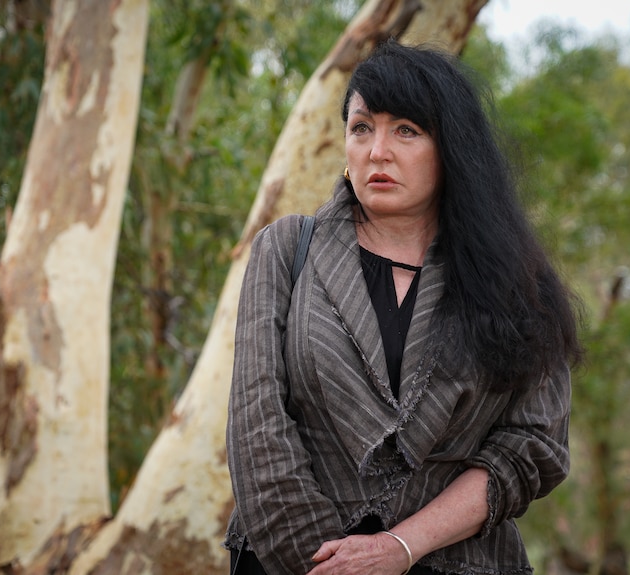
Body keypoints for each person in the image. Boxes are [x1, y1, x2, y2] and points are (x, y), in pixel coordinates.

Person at [225, 40, 583, 575]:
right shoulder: (286, 249)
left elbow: (534, 446)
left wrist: (399, 546)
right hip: (292, 563)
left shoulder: (517, 279)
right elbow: (257, 429)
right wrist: (322, 563)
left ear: (452, 150)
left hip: (459, 564)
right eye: (362, 127)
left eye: (406, 131)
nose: (377, 151)